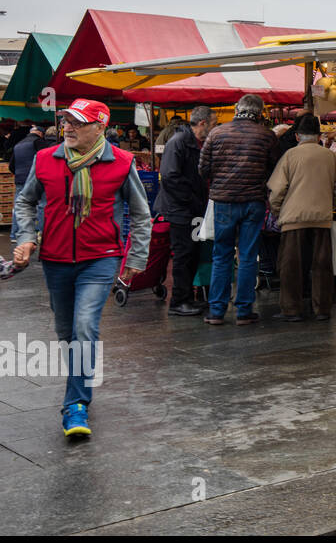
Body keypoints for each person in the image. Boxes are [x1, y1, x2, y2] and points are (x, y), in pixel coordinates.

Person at [11, 99, 151, 438]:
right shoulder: (46, 159)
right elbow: (26, 200)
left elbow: (141, 213)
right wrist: (27, 237)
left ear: (100, 127)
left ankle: (76, 405)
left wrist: (136, 258)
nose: (68, 128)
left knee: (85, 326)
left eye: (78, 122)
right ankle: (80, 379)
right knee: (66, 333)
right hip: (56, 260)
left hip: (100, 259)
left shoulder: (121, 162)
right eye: (67, 121)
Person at [199, 94, 278, 326]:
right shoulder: (267, 136)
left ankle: (216, 311)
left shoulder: (216, 133)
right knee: (247, 256)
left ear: (237, 109)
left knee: (221, 255)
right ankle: (244, 311)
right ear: (260, 112)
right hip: (253, 202)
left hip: (223, 202)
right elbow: (275, 170)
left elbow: (203, 168)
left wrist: (220, 180)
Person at [267, 114, 336, 321]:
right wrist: (329, 205)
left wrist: (279, 210)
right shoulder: (329, 156)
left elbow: (276, 191)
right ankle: (322, 309)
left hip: (293, 219)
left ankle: (292, 309)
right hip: (321, 218)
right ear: (319, 135)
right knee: (322, 266)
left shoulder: (290, 156)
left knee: (290, 266)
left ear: (296, 136)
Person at [156, 106, 214, 316]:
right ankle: (179, 302)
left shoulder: (194, 143)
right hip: (181, 209)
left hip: (192, 208)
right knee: (183, 254)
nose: (214, 128)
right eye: (213, 124)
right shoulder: (179, 142)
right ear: (202, 123)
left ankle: (187, 298)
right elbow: (170, 176)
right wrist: (191, 199)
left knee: (191, 254)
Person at [7, 125, 45, 238]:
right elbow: (45, 159)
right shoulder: (38, 142)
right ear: (40, 133)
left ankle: (15, 234)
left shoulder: (18, 144)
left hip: (19, 179)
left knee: (19, 206)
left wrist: (18, 173)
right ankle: (38, 233)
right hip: (34, 180)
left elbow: (11, 166)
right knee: (39, 205)